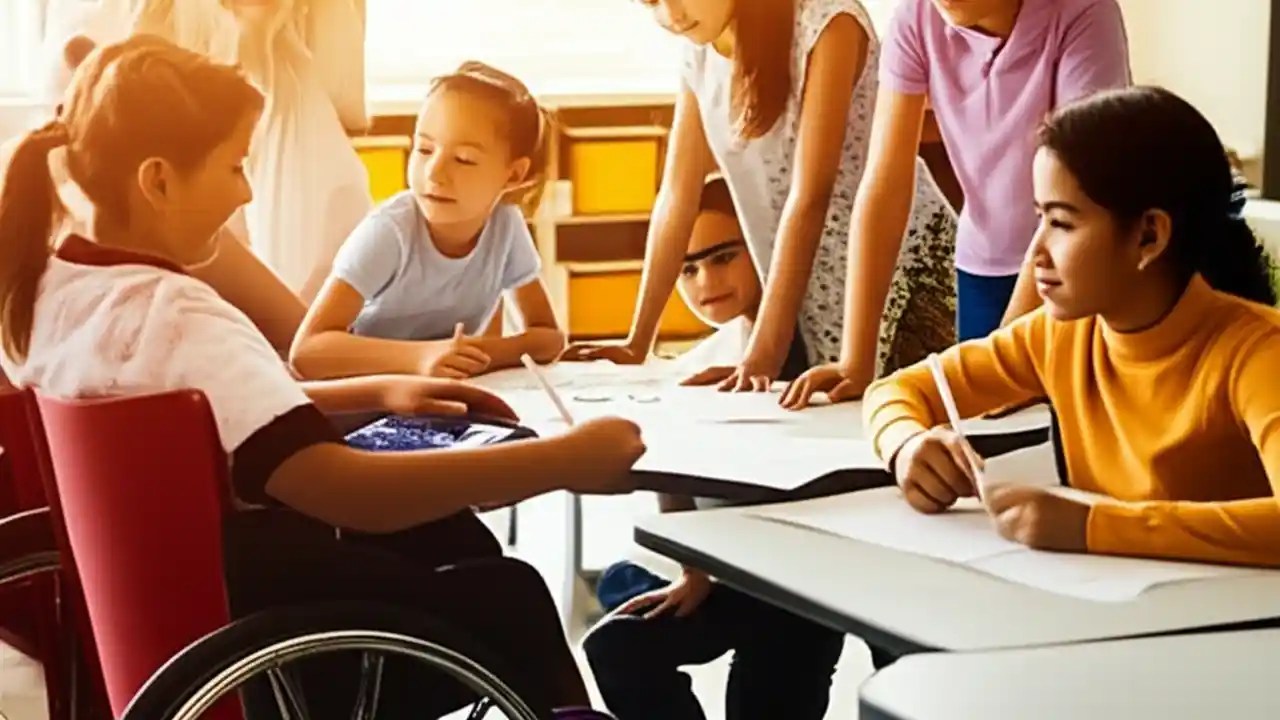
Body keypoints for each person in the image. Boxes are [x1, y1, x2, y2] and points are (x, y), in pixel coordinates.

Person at [0, 36, 643, 717]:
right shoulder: (181, 316)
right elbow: (348, 492)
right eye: (233, 166)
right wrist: (564, 461)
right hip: (266, 648)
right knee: (508, 595)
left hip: (145, 615)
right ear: (158, 180)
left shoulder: (49, 290)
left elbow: (189, 424)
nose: (246, 189)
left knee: (449, 536)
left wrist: (377, 393)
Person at [864, 86, 1280, 567]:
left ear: (1149, 235)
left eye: (1061, 223)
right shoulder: (1060, 335)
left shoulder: (1259, 355)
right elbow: (897, 390)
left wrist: (1093, 526)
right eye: (1039, 217)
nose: (1036, 252)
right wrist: (905, 444)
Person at [564, 0, 957, 395]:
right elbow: (677, 196)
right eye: (651, 2)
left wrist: (765, 352)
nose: (670, 16)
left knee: (912, 424)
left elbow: (810, 196)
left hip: (900, 275)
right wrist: (638, 342)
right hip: (804, 296)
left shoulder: (830, 23)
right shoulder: (700, 50)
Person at [783, 0, 1129, 408]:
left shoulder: (1085, 11)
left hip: (1077, 269)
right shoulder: (916, 17)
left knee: (1062, 430)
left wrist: (999, 364)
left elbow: (1079, 190)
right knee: (988, 443)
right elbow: (885, 183)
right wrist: (856, 360)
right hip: (981, 272)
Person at [290, 62, 564, 382]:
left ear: (513, 175)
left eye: (463, 159)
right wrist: (422, 357)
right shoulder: (391, 232)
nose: (434, 173)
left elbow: (548, 338)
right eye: (424, 149)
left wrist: (476, 355)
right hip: (365, 396)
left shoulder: (506, 226)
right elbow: (307, 352)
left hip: (439, 394)